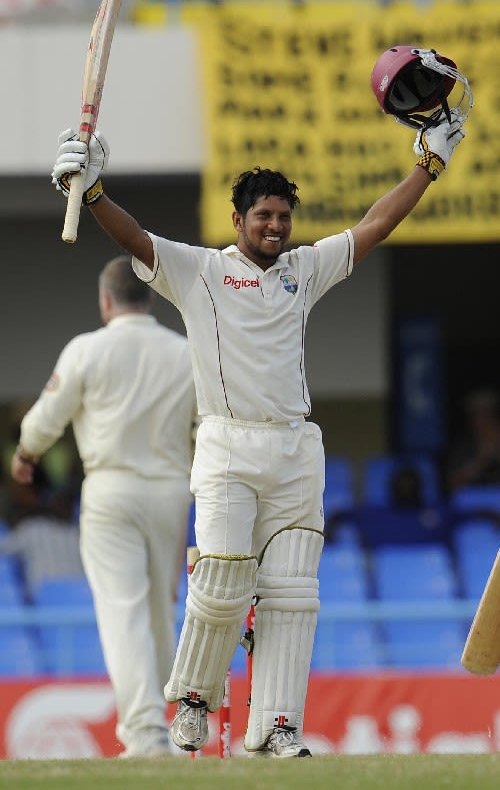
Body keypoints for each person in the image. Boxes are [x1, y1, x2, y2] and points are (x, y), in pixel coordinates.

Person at [49, 110, 465, 758]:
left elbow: (375, 225)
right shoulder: (201, 272)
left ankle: (275, 725)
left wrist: (427, 166)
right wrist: (96, 190)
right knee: (220, 579)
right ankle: (192, 699)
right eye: (262, 216)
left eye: (282, 217)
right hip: (226, 445)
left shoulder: (303, 270)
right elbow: (136, 241)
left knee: (294, 595)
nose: (274, 226)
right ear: (238, 220)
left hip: (296, 448)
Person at [10, 256, 198, 759]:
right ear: (150, 300)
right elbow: (207, 431)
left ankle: (146, 734)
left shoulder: (87, 349)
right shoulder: (186, 353)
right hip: (170, 490)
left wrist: (26, 454)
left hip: (111, 491)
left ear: (105, 301)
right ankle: (169, 729)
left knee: (124, 610)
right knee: (161, 608)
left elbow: (45, 419)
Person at [447, 387, 500, 492]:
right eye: (477, 415)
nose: (482, 421)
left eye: (487, 414)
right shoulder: (463, 446)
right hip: (471, 503)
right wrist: (480, 460)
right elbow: (452, 485)